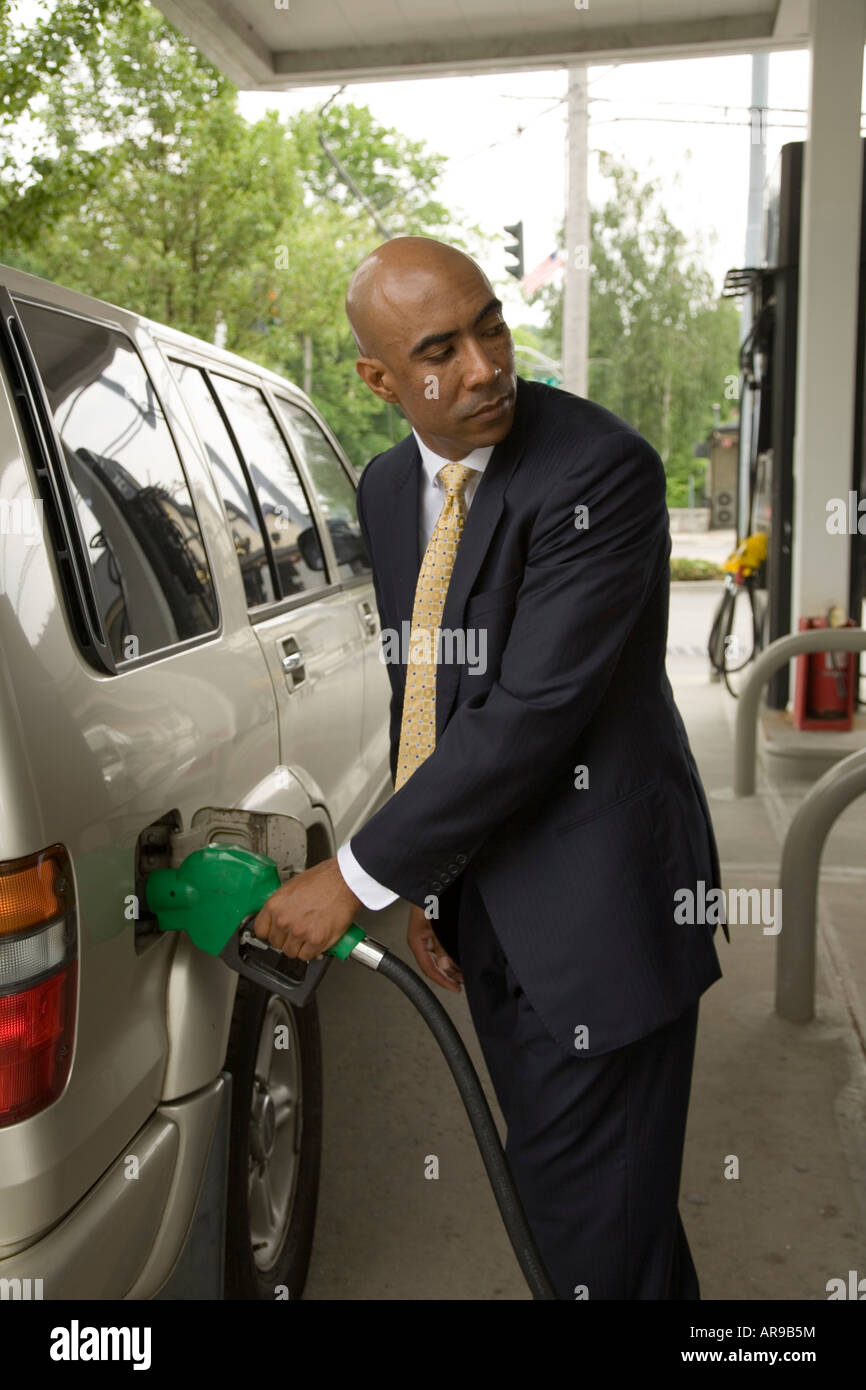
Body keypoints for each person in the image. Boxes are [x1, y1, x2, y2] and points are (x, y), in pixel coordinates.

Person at [252, 236, 727, 1300]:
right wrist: (430, 876)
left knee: (589, 1229)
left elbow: (530, 710)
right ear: (378, 379)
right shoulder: (386, 489)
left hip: (600, 913)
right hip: (492, 907)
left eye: (491, 326)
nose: (482, 365)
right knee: (594, 1218)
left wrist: (359, 875)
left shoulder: (596, 470)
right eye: (439, 348)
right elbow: (424, 691)